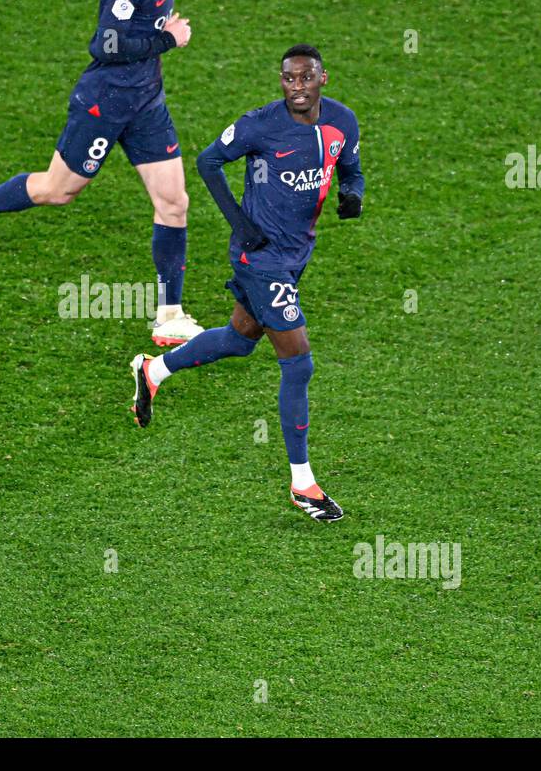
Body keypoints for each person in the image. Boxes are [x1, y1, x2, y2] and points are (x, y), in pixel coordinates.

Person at [0, 0, 207, 347]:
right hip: (104, 104)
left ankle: (169, 313)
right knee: (58, 191)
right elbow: (104, 46)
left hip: (146, 104)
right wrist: (166, 40)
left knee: (174, 202)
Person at [130, 44, 365, 521]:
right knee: (298, 364)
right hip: (259, 259)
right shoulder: (260, 124)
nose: (296, 87)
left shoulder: (343, 122)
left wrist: (351, 194)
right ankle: (303, 484)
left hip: (297, 254)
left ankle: (153, 371)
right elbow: (208, 161)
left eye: (305, 78)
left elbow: (351, 170)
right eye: (288, 79)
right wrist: (240, 222)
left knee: (240, 340)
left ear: (324, 78)